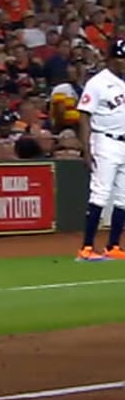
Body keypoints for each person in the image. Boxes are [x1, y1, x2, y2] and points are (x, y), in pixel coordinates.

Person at [75, 39, 125, 261]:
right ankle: (86, 248)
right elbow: (84, 115)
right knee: (101, 193)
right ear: (110, 59)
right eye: (121, 58)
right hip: (105, 141)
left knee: (123, 198)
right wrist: (86, 149)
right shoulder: (98, 83)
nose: (124, 62)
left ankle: (113, 246)